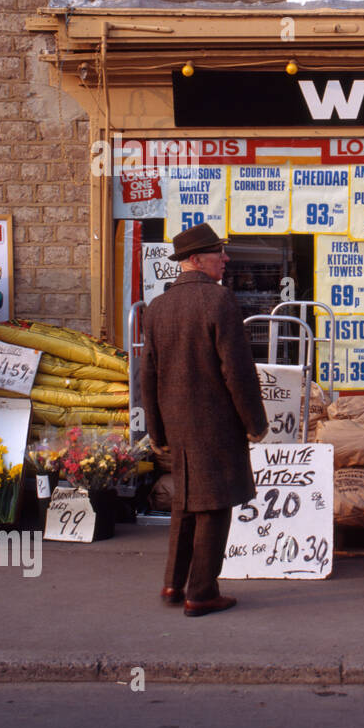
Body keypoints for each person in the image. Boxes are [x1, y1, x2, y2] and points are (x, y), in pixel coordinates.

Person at [139, 223, 267, 617]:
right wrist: (255, 422)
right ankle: (202, 592)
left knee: (185, 501)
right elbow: (237, 370)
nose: (225, 259)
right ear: (196, 260)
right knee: (213, 504)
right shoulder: (219, 300)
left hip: (177, 423)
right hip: (214, 422)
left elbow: (149, 373)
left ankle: (173, 583)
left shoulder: (158, 307)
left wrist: (156, 430)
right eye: (218, 253)